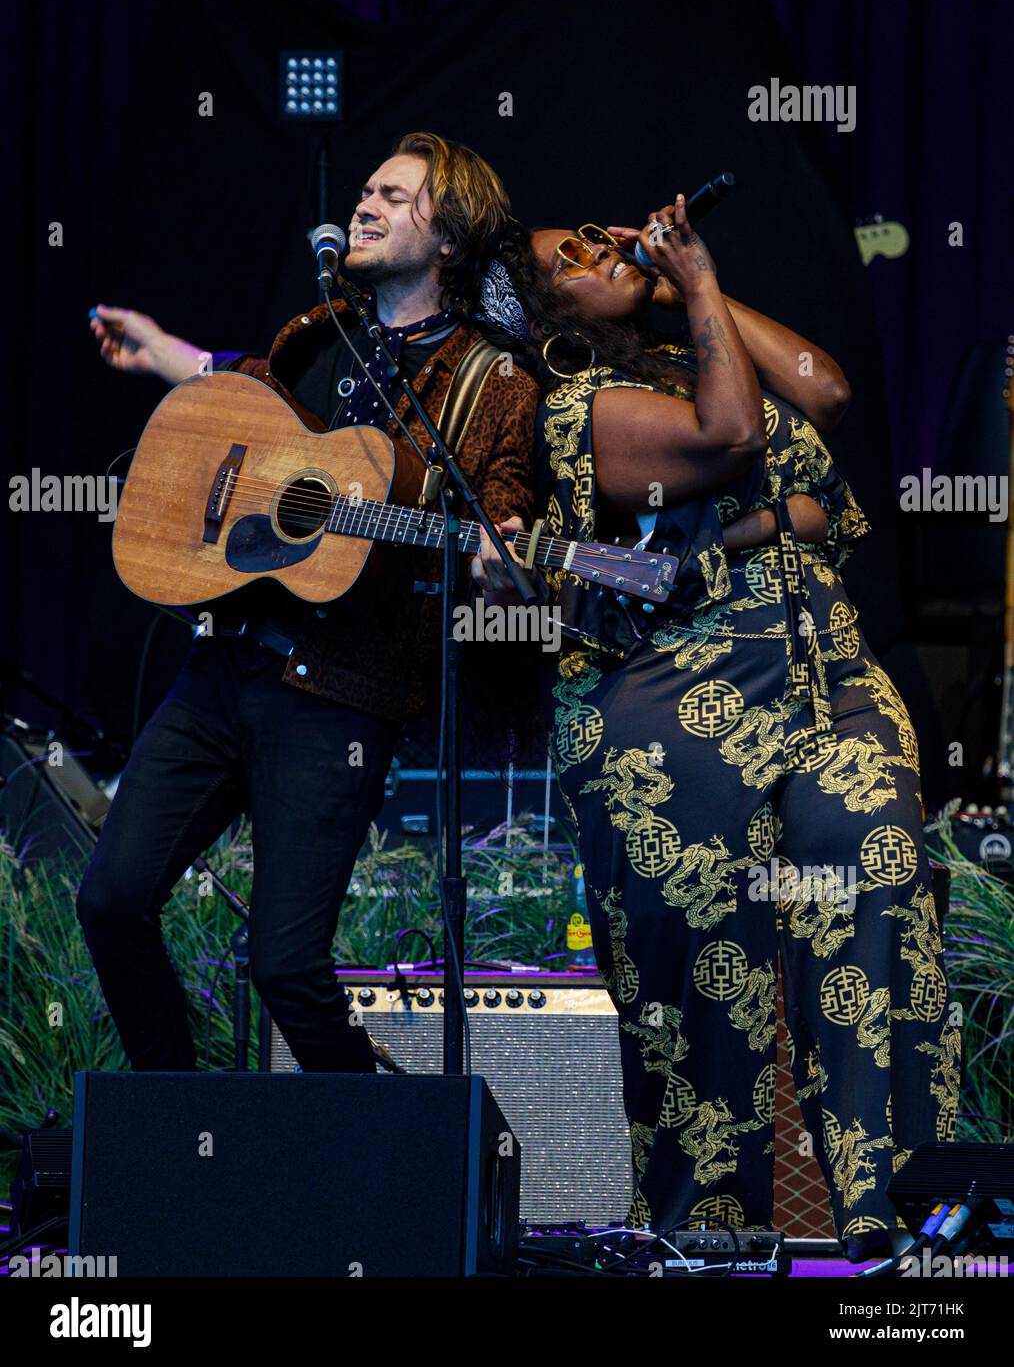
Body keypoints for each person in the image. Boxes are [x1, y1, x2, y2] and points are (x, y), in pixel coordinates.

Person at [472, 198, 959, 1262]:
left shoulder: (696, 348)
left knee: (875, 871)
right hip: (672, 691)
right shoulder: (581, 406)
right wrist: (689, 283)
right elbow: (734, 438)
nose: (606, 245)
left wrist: (691, 278)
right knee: (708, 967)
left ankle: (892, 1215)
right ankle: (710, 1235)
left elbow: (821, 390)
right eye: (579, 255)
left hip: (825, 668)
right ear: (549, 317)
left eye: (601, 233)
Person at [78, 132, 537, 1074]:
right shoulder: (319, 333)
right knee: (110, 899)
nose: (364, 204)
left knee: (286, 967)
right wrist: (165, 351)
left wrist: (504, 560)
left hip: (342, 696)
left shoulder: (497, 381)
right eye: (364, 189)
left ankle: (380, 1152)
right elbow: (241, 415)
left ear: (448, 237)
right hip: (226, 668)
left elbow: (507, 513)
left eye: (394, 195)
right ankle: (176, 1116)